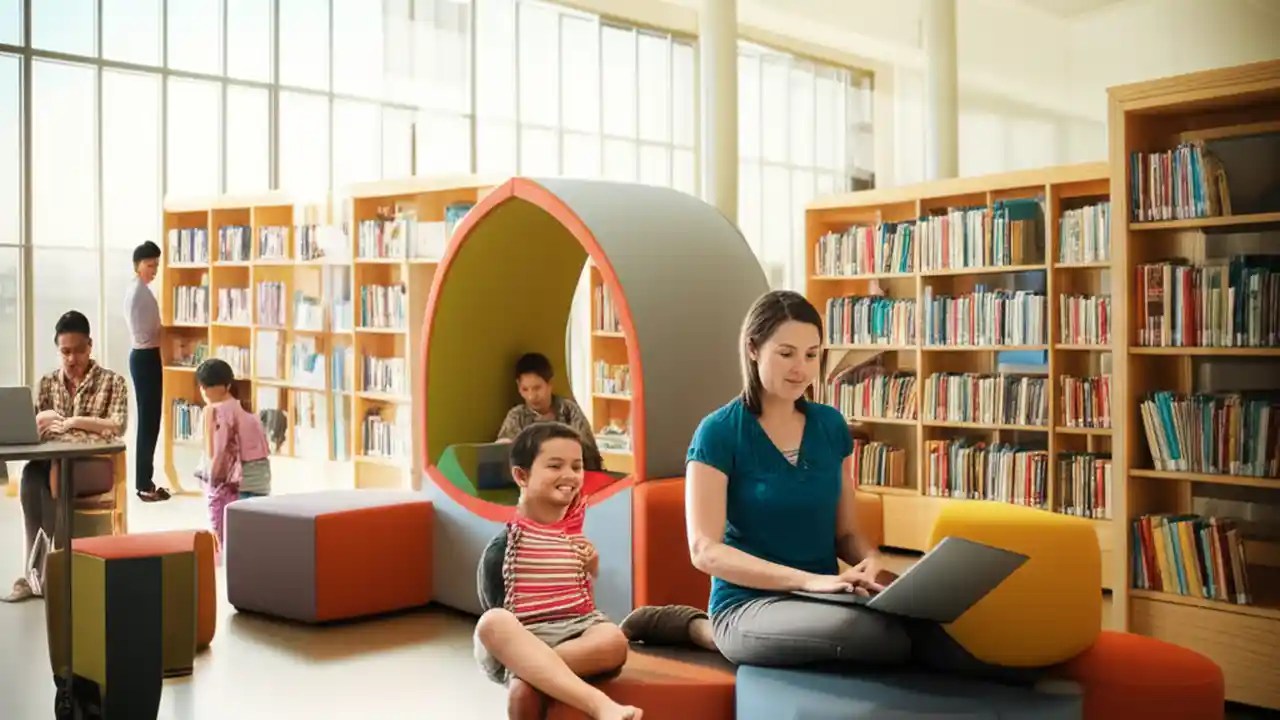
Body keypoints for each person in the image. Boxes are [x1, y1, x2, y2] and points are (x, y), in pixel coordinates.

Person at [622, 290, 1038, 681]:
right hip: (749, 603)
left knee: (919, 618)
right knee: (874, 635)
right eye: (785, 353)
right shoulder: (718, 432)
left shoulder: (830, 425)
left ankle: (998, 685)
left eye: (811, 354)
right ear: (752, 350)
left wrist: (870, 561)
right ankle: (702, 629)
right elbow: (704, 551)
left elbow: (846, 533)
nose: (800, 368)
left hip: (825, 595)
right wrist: (807, 581)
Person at [472, 422, 640, 720]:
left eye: (576, 466)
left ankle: (532, 672)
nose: (569, 475)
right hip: (526, 633)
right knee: (492, 622)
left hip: (575, 632)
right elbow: (500, 616)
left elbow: (581, 603)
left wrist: (590, 566)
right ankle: (597, 703)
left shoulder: (574, 538)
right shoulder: (503, 550)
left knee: (614, 640)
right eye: (554, 465)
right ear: (521, 476)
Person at [3, 310, 129, 603]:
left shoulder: (113, 382)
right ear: (58, 350)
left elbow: (116, 425)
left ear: (90, 346)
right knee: (31, 476)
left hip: (95, 465)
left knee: (53, 474)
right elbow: (33, 429)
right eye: (65, 352)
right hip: (51, 462)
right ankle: (35, 574)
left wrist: (75, 422)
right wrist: (39, 423)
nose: (72, 359)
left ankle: (49, 575)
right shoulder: (47, 384)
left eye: (79, 351)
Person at [194, 359, 272, 554]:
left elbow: (219, 454)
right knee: (251, 537)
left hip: (237, 483)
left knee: (230, 540)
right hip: (261, 481)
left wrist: (210, 482)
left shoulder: (215, 411)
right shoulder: (247, 410)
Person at [496, 352, 603, 471]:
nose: (531, 396)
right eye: (525, 389)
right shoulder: (517, 416)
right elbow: (505, 456)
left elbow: (591, 454)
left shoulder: (568, 410)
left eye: (537, 388)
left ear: (549, 384)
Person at [124, 240, 170, 502]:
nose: (154, 270)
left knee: (150, 421)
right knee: (148, 422)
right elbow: (145, 332)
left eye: (156, 265)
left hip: (145, 355)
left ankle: (146, 480)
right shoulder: (138, 293)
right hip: (145, 356)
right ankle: (144, 483)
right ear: (138, 265)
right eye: (150, 265)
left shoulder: (139, 289)